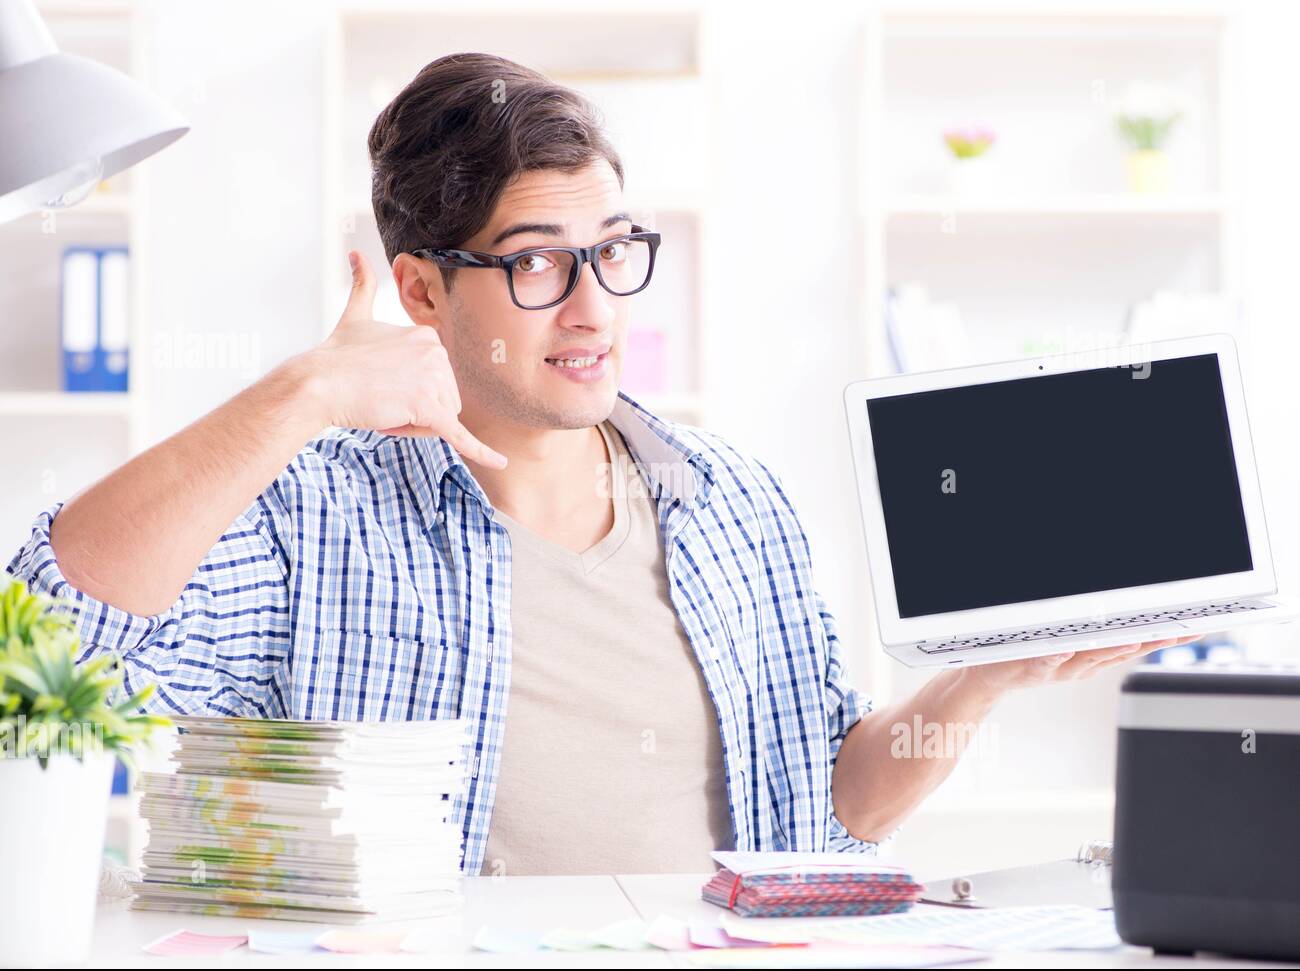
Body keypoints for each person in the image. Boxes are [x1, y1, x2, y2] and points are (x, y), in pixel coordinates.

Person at [5, 53, 1193, 876]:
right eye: (535, 262)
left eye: (612, 251)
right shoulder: (309, 517)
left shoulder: (729, 500)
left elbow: (819, 818)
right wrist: (301, 392)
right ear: (420, 288)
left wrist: (976, 680)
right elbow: (46, 641)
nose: (591, 309)